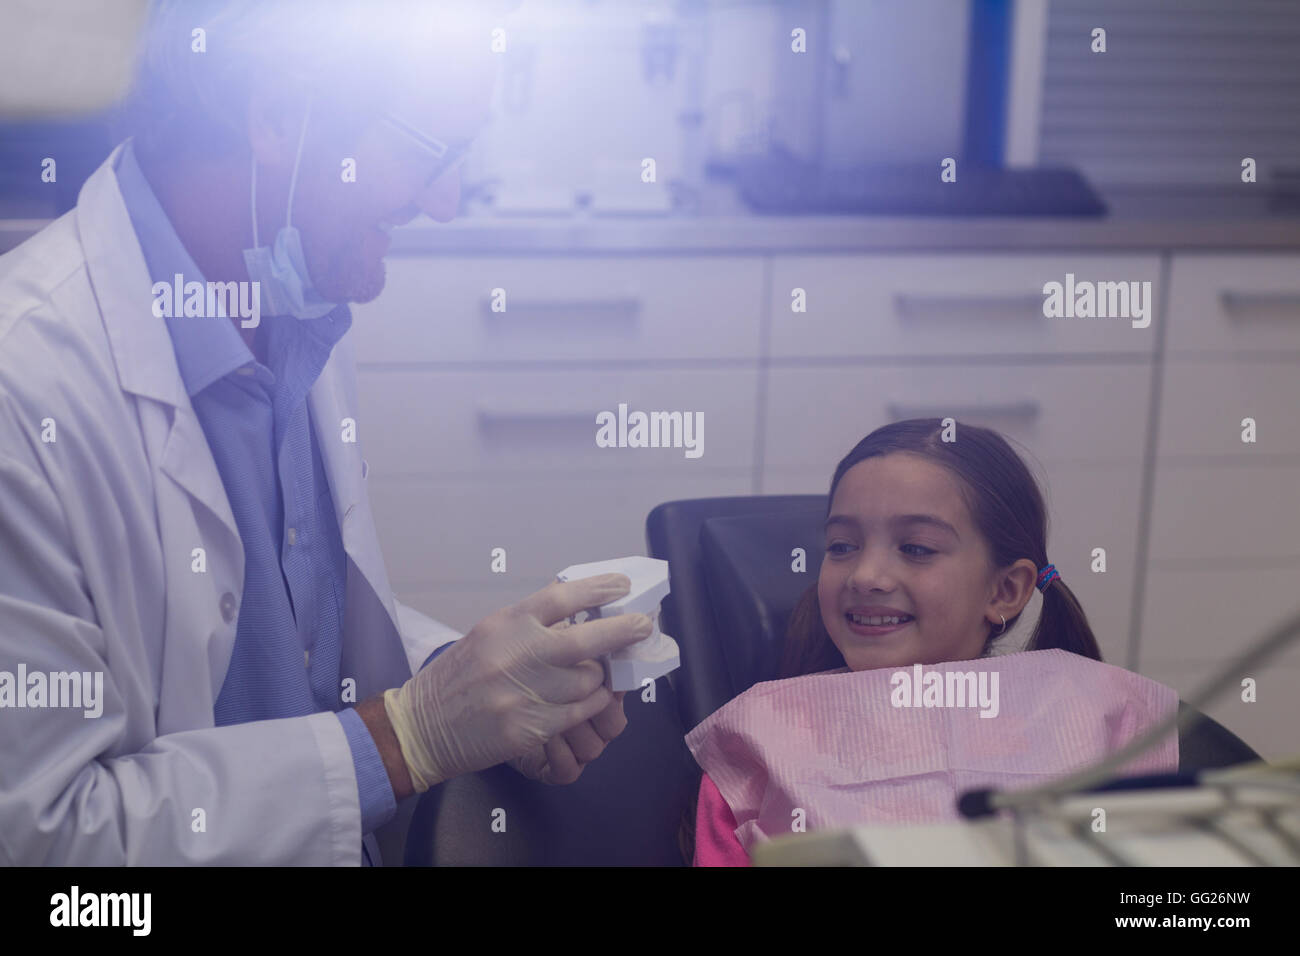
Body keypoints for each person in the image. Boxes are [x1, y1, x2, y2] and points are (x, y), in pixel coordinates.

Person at [0, 0, 652, 865]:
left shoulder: (293, 293)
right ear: (276, 116)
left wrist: (477, 691)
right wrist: (406, 739)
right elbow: (49, 849)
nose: (448, 203)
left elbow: (293, 650)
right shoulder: (27, 391)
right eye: (429, 154)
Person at [684, 418, 1180, 866]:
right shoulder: (758, 743)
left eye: (916, 548)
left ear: (1005, 589)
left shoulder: (1105, 721)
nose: (867, 575)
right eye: (841, 547)